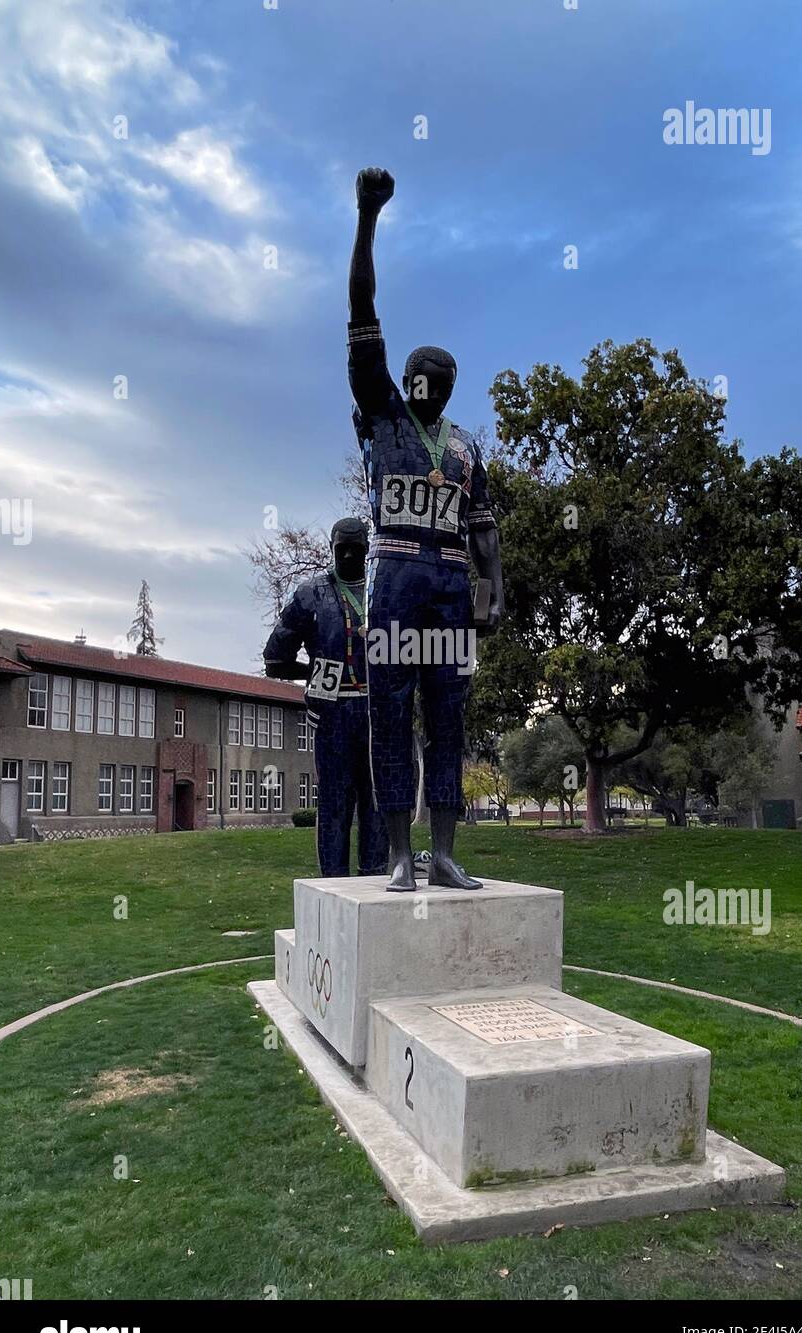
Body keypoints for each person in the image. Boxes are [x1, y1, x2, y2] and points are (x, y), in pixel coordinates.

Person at [347, 166, 505, 892]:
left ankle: (442, 851)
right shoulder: (382, 416)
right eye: (416, 372)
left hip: (448, 587)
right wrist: (368, 216)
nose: (423, 384)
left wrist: (494, 586)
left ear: (449, 388)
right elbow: (360, 305)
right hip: (395, 581)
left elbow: (483, 525)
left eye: (435, 378)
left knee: (448, 715)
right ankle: (396, 854)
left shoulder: (467, 447)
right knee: (390, 713)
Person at [263, 517, 389, 878]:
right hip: (332, 713)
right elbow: (275, 659)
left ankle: (377, 876)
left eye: (356, 548)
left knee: (378, 798)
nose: (349, 554)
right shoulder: (311, 594)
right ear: (331, 549)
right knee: (334, 801)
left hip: (380, 710)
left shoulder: (383, 591)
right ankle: (333, 881)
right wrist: (316, 671)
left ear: (367, 550)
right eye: (341, 548)